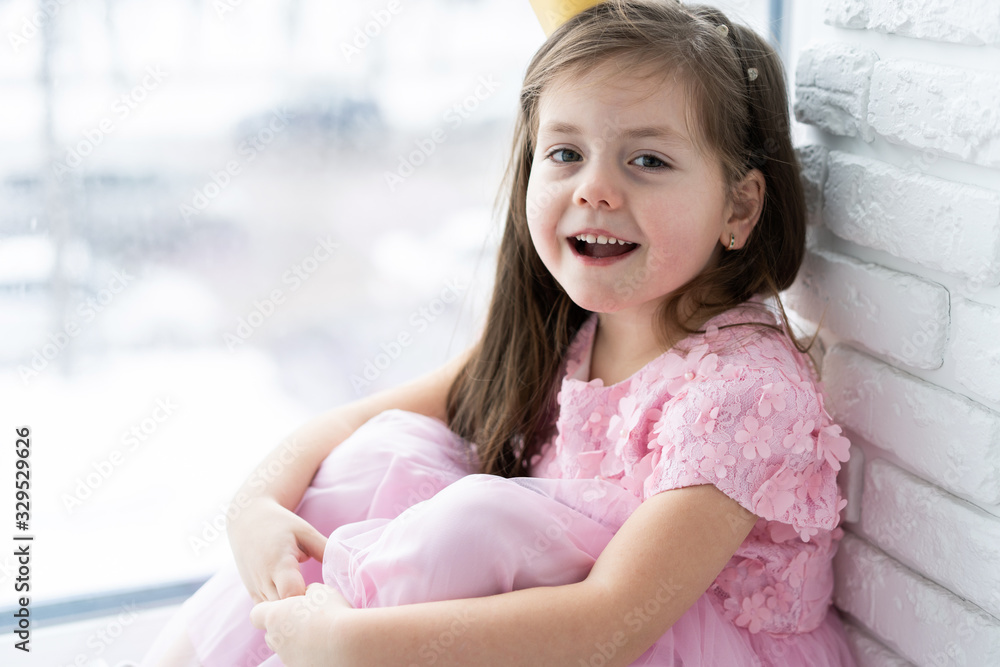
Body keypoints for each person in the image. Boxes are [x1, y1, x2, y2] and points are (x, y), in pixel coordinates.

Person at [141, 1, 859, 665]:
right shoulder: (571, 333)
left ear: (739, 207)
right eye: (566, 153)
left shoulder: (744, 393)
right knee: (387, 454)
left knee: (480, 520)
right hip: (579, 624)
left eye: (648, 160)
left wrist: (357, 642)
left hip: (652, 641)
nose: (595, 189)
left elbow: (609, 621)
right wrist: (254, 507)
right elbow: (350, 423)